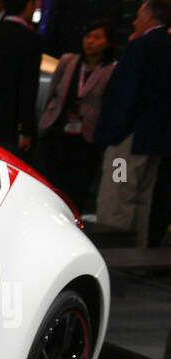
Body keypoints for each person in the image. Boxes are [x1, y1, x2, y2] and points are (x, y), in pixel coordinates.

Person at [94, 0, 171, 244]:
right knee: (142, 200)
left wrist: (112, 133)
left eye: (139, 16)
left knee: (117, 197)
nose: (135, 21)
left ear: (149, 16)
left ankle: (115, 254)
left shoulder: (141, 46)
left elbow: (125, 93)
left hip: (127, 139)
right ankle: (137, 255)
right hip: (156, 140)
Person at [36, 19, 116, 210]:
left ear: (107, 42)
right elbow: (53, 91)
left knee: (77, 188)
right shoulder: (68, 61)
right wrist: (45, 121)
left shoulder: (110, 70)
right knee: (50, 182)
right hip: (58, 130)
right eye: (88, 36)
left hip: (86, 137)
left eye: (97, 38)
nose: (90, 41)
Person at [0, 0, 41, 156]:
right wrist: (26, 129)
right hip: (11, 122)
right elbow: (28, 87)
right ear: (28, 5)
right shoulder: (32, 41)